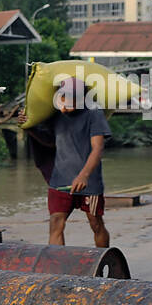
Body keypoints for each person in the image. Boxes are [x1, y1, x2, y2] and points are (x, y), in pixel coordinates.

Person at [22, 76, 111, 248]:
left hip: (89, 184)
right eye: (61, 98)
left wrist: (84, 176)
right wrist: (29, 127)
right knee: (56, 223)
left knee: (96, 223)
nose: (63, 103)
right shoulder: (55, 114)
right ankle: (57, 267)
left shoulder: (94, 113)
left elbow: (98, 148)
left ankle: (103, 264)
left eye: (68, 99)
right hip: (60, 180)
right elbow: (50, 142)